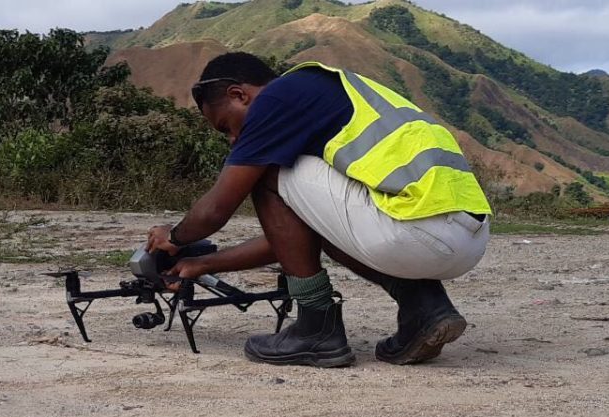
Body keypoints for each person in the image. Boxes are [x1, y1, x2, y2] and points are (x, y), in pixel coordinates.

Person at [146, 52, 492, 368]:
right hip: (465, 238)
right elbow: (301, 239)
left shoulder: (276, 100)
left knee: (268, 171)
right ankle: (426, 307)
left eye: (226, 125)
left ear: (239, 94)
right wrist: (203, 264)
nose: (233, 139)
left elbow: (216, 210)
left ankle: (317, 327)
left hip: (415, 232)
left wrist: (173, 237)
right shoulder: (326, 90)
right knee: (301, 192)